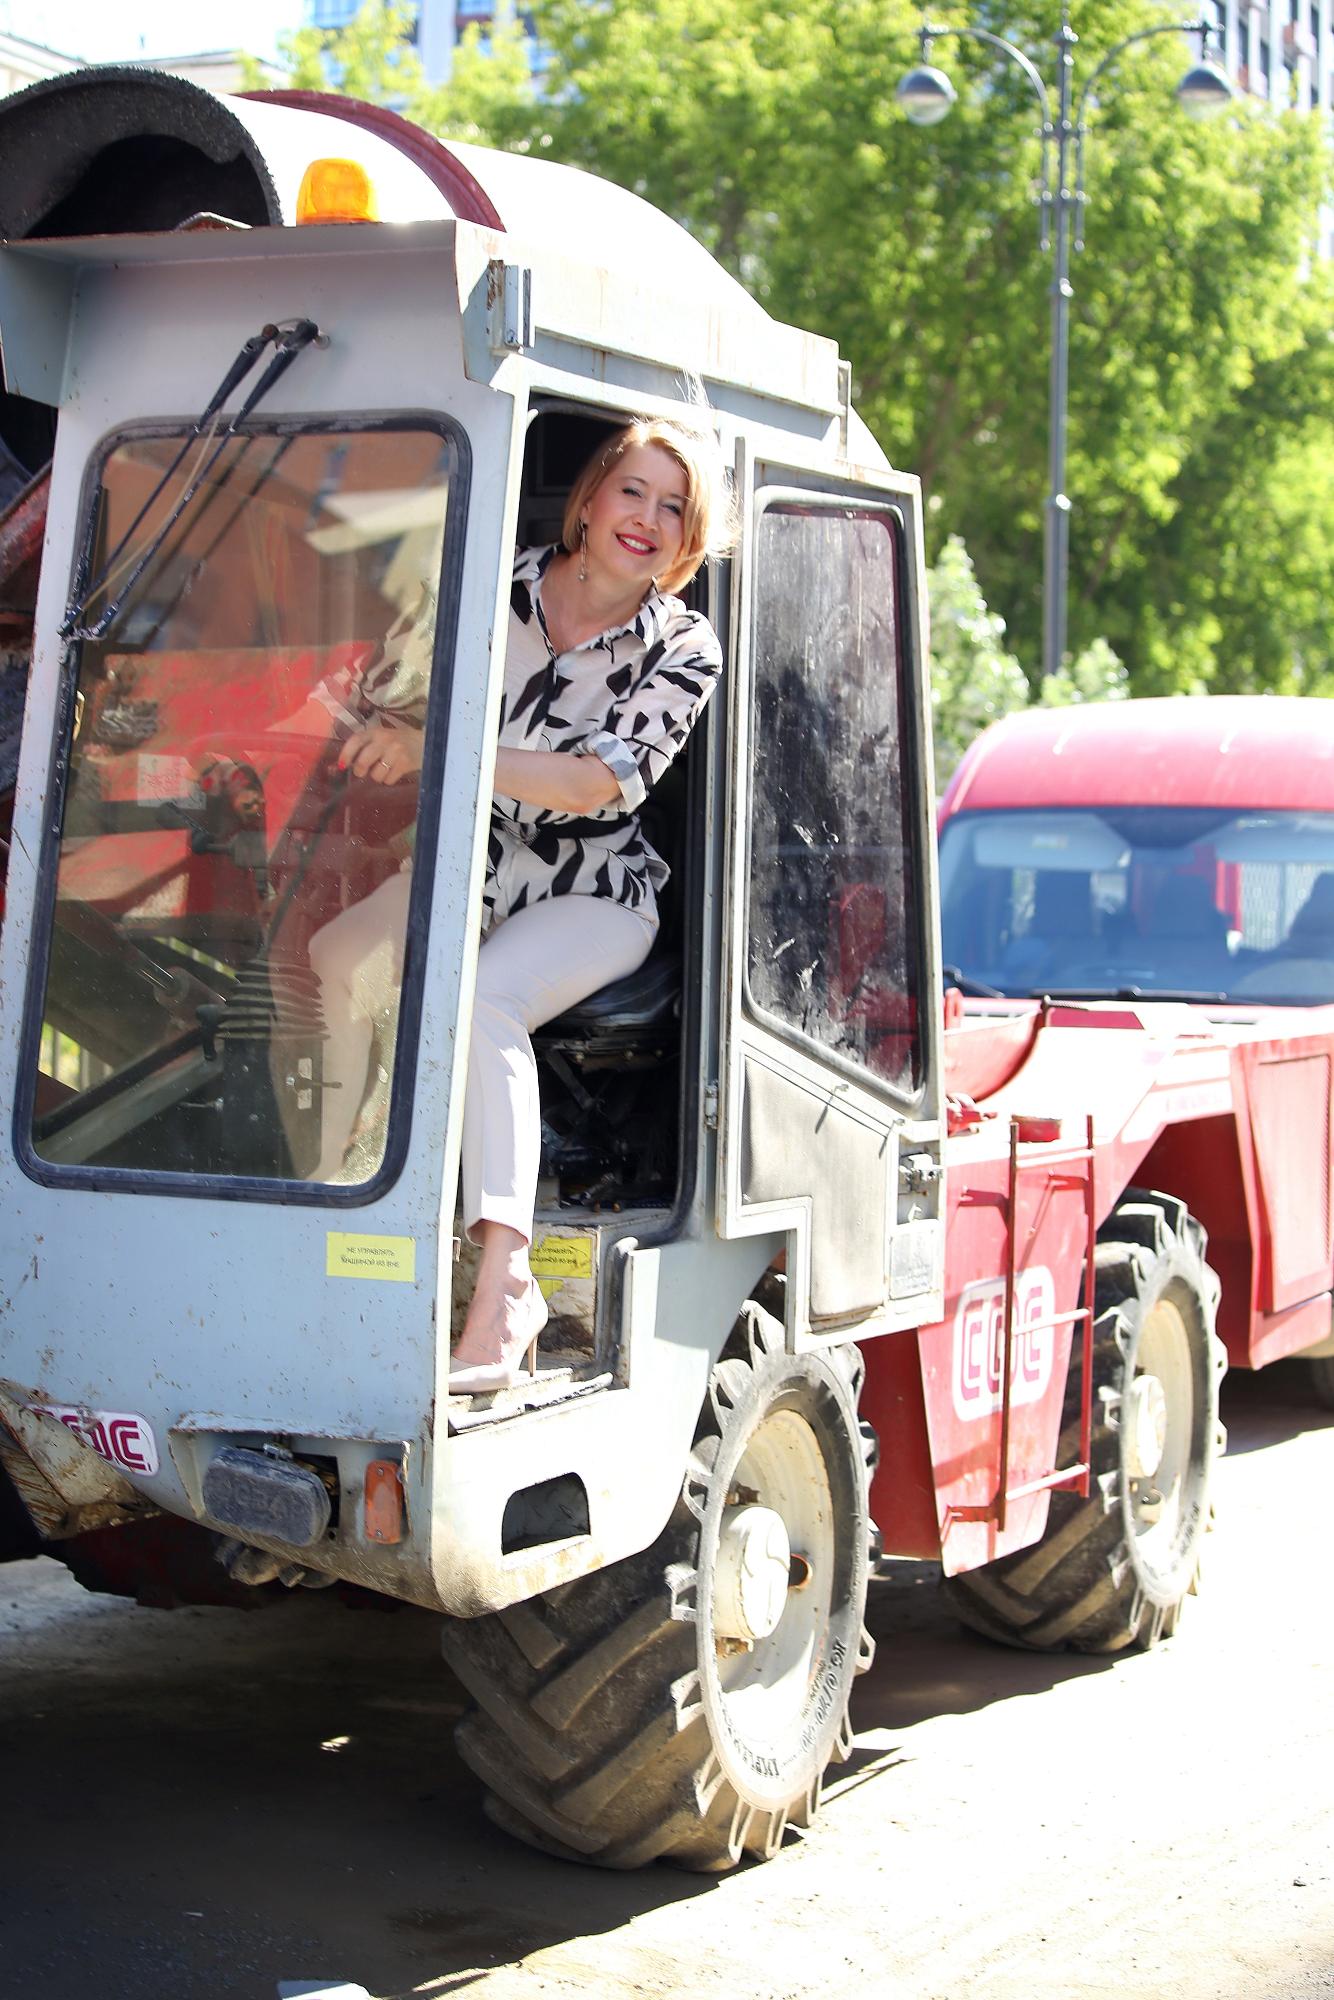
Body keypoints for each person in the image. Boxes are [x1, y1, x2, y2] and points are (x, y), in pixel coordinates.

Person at [304, 415, 733, 1395]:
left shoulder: (683, 646)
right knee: (337, 958)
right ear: (588, 499)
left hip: (591, 890)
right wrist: (359, 722)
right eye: (634, 491)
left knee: (483, 998)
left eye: (675, 508)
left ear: (686, 541)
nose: (649, 517)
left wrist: (434, 751)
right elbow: (380, 690)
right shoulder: (483, 587)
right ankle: (334, 1201)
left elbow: (595, 784)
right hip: (467, 866)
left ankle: (506, 1286)